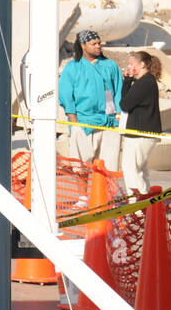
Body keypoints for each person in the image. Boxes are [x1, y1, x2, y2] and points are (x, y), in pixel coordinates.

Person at [59, 29, 122, 171]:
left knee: (108, 167)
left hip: (109, 123)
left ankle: (106, 194)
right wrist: (74, 124)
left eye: (99, 43)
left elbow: (119, 92)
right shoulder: (72, 68)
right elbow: (66, 97)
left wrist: (118, 119)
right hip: (83, 123)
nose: (98, 46)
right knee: (80, 166)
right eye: (94, 43)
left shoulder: (110, 66)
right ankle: (83, 194)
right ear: (83, 45)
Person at [120, 50, 164, 193]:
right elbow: (127, 101)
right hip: (142, 133)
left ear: (142, 64)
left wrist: (128, 81)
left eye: (132, 63)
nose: (129, 66)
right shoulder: (145, 82)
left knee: (131, 169)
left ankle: (137, 206)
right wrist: (128, 80)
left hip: (139, 134)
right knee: (139, 170)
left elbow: (125, 104)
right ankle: (146, 204)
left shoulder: (145, 83)